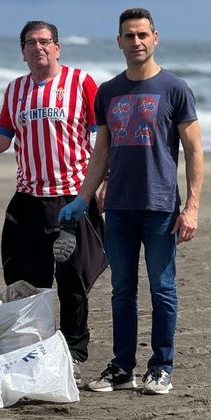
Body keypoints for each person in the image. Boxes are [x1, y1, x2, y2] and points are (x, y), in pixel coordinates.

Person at [59, 8, 204, 395]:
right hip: (119, 209)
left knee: (162, 289)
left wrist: (191, 206)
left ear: (155, 38)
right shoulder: (108, 91)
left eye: (142, 35)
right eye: (129, 35)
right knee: (122, 290)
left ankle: (161, 366)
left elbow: (194, 151)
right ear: (119, 41)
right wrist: (82, 197)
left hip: (160, 208)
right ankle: (122, 368)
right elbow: (101, 152)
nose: (136, 42)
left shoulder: (175, 88)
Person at [0, 21, 107, 384]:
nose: (38, 47)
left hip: (71, 199)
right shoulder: (15, 91)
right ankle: (36, 347)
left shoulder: (81, 83)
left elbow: (102, 139)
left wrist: (102, 184)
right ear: (23, 51)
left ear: (58, 48)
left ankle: (74, 351)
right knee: (27, 282)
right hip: (28, 200)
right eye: (31, 43)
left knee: (72, 281)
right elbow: (2, 142)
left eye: (45, 42)